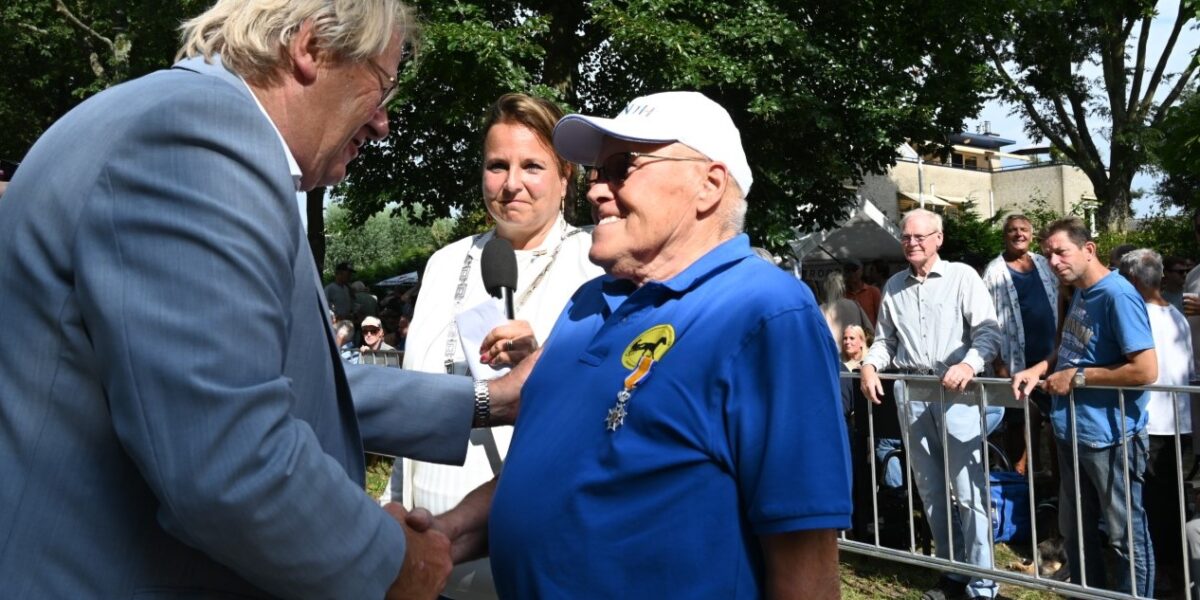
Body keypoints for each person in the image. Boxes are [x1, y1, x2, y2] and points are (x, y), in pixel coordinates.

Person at [0, 2, 528, 598]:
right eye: (381, 86)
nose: (383, 123)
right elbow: (228, 458)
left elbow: (288, 381)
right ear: (311, 49)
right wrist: (394, 564)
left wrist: (493, 400)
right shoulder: (197, 142)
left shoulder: (189, 129)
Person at [422, 91, 851, 598]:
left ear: (709, 186)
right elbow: (548, 474)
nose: (596, 190)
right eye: (596, 172)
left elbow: (804, 562)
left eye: (622, 167)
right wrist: (445, 535)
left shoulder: (766, 313)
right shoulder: (589, 301)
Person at [393, 92, 603, 599]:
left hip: (535, 560)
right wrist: (395, 502)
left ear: (565, 176)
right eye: (497, 165)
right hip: (431, 552)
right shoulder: (446, 264)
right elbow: (412, 390)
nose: (512, 184)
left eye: (532, 165)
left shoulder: (595, 265)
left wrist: (541, 364)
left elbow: (602, 414)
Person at [860, 208, 1003, 600]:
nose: (912, 243)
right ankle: (952, 572)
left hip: (957, 391)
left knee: (967, 490)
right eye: (906, 237)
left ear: (939, 239)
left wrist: (969, 364)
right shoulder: (893, 285)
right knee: (931, 489)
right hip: (912, 391)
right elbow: (885, 340)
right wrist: (870, 365)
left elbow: (989, 332)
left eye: (920, 237)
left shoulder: (962, 277)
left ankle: (984, 583)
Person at [1011, 217, 1158, 596]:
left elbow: (1145, 369)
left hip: (1112, 439)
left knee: (1127, 537)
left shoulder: (1117, 295)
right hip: (1072, 430)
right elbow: (1070, 347)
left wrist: (1077, 378)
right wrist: (1040, 368)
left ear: (1088, 249)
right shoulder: (1079, 291)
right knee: (1077, 531)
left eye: (1061, 252)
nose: (1054, 261)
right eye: (1048, 255)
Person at [1118, 248, 1195, 595]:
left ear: (1132, 279)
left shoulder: (1140, 316)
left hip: (1152, 422)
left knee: (1154, 501)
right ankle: (1174, 565)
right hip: (1177, 420)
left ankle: (1164, 569)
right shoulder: (1176, 315)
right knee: (1170, 496)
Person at [982, 214, 1059, 475]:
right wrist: (998, 362)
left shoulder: (1045, 264)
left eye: (1023, 229)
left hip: (1051, 358)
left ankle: (1054, 480)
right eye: (1013, 230)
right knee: (1018, 423)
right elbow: (985, 321)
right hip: (1014, 363)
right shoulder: (994, 271)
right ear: (1005, 235)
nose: (1018, 234)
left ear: (1031, 233)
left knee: (1056, 421)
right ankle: (1021, 479)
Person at [821, 270, 874, 345]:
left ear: (826, 287)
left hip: (831, 351)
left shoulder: (821, 309)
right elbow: (870, 329)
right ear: (843, 287)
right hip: (853, 350)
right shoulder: (854, 305)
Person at [845, 258, 883, 326]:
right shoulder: (843, 295)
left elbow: (882, 317)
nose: (851, 273)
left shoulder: (873, 291)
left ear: (861, 271)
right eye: (848, 270)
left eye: (854, 269)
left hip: (870, 335)